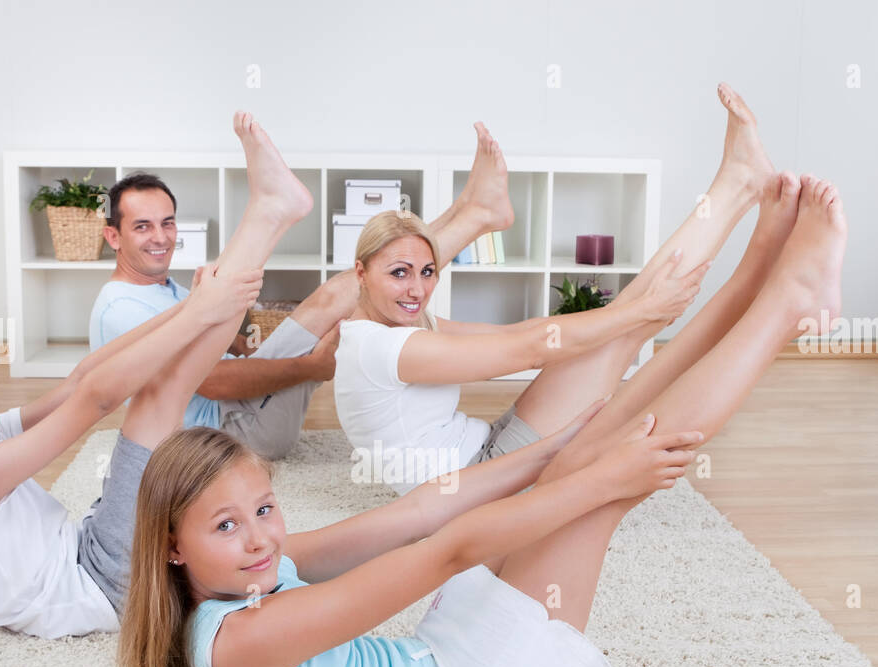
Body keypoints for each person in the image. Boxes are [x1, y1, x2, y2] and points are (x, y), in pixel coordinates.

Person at [102, 170, 847, 667]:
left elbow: (415, 516)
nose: (261, 536)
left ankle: (755, 276)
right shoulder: (243, 638)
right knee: (608, 480)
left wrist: (552, 453)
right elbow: (443, 552)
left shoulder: (246, 577)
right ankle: (786, 305)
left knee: (588, 447)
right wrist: (601, 481)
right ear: (172, 546)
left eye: (263, 509)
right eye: (227, 527)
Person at [0, 112, 311, 638]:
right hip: (102, 584)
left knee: (164, 395)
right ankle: (267, 216)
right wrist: (201, 311)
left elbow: (78, 379)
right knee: (160, 394)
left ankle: (270, 212)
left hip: (87, 548)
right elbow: (94, 401)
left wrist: (194, 307)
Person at [333, 83, 778, 493]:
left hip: (486, 452)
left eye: (427, 272)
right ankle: (737, 190)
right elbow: (527, 350)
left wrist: (637, 313)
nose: (416, 289)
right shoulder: (383, 348)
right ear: (360, 272)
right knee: (627, 324)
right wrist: (640, 313)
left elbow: (516, 334)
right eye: (399, 273)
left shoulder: (391, 328)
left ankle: (736, 188)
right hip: (477, 490)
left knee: (628, 320)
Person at [89, 123, 517, 459]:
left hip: (235, 413)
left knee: (338, 295)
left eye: (167, 223)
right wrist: (310, 366)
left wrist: (249, 344)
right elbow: (214, 381)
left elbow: (215, 349)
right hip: (223, 436)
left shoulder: (160, 288)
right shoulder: (123, 307)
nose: (160, 237)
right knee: (345, 296)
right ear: (113, 236)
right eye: (142, 226)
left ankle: (471, 211)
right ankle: (474, 215)